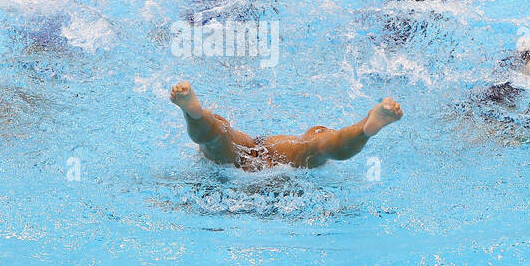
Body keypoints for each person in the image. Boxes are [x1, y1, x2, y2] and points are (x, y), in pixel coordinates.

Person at [169, 81, 402, 170]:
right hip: (284, 151)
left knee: (217, 136)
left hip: (238, 159)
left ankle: (195, 114)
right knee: (318, 143)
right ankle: (365, 128)